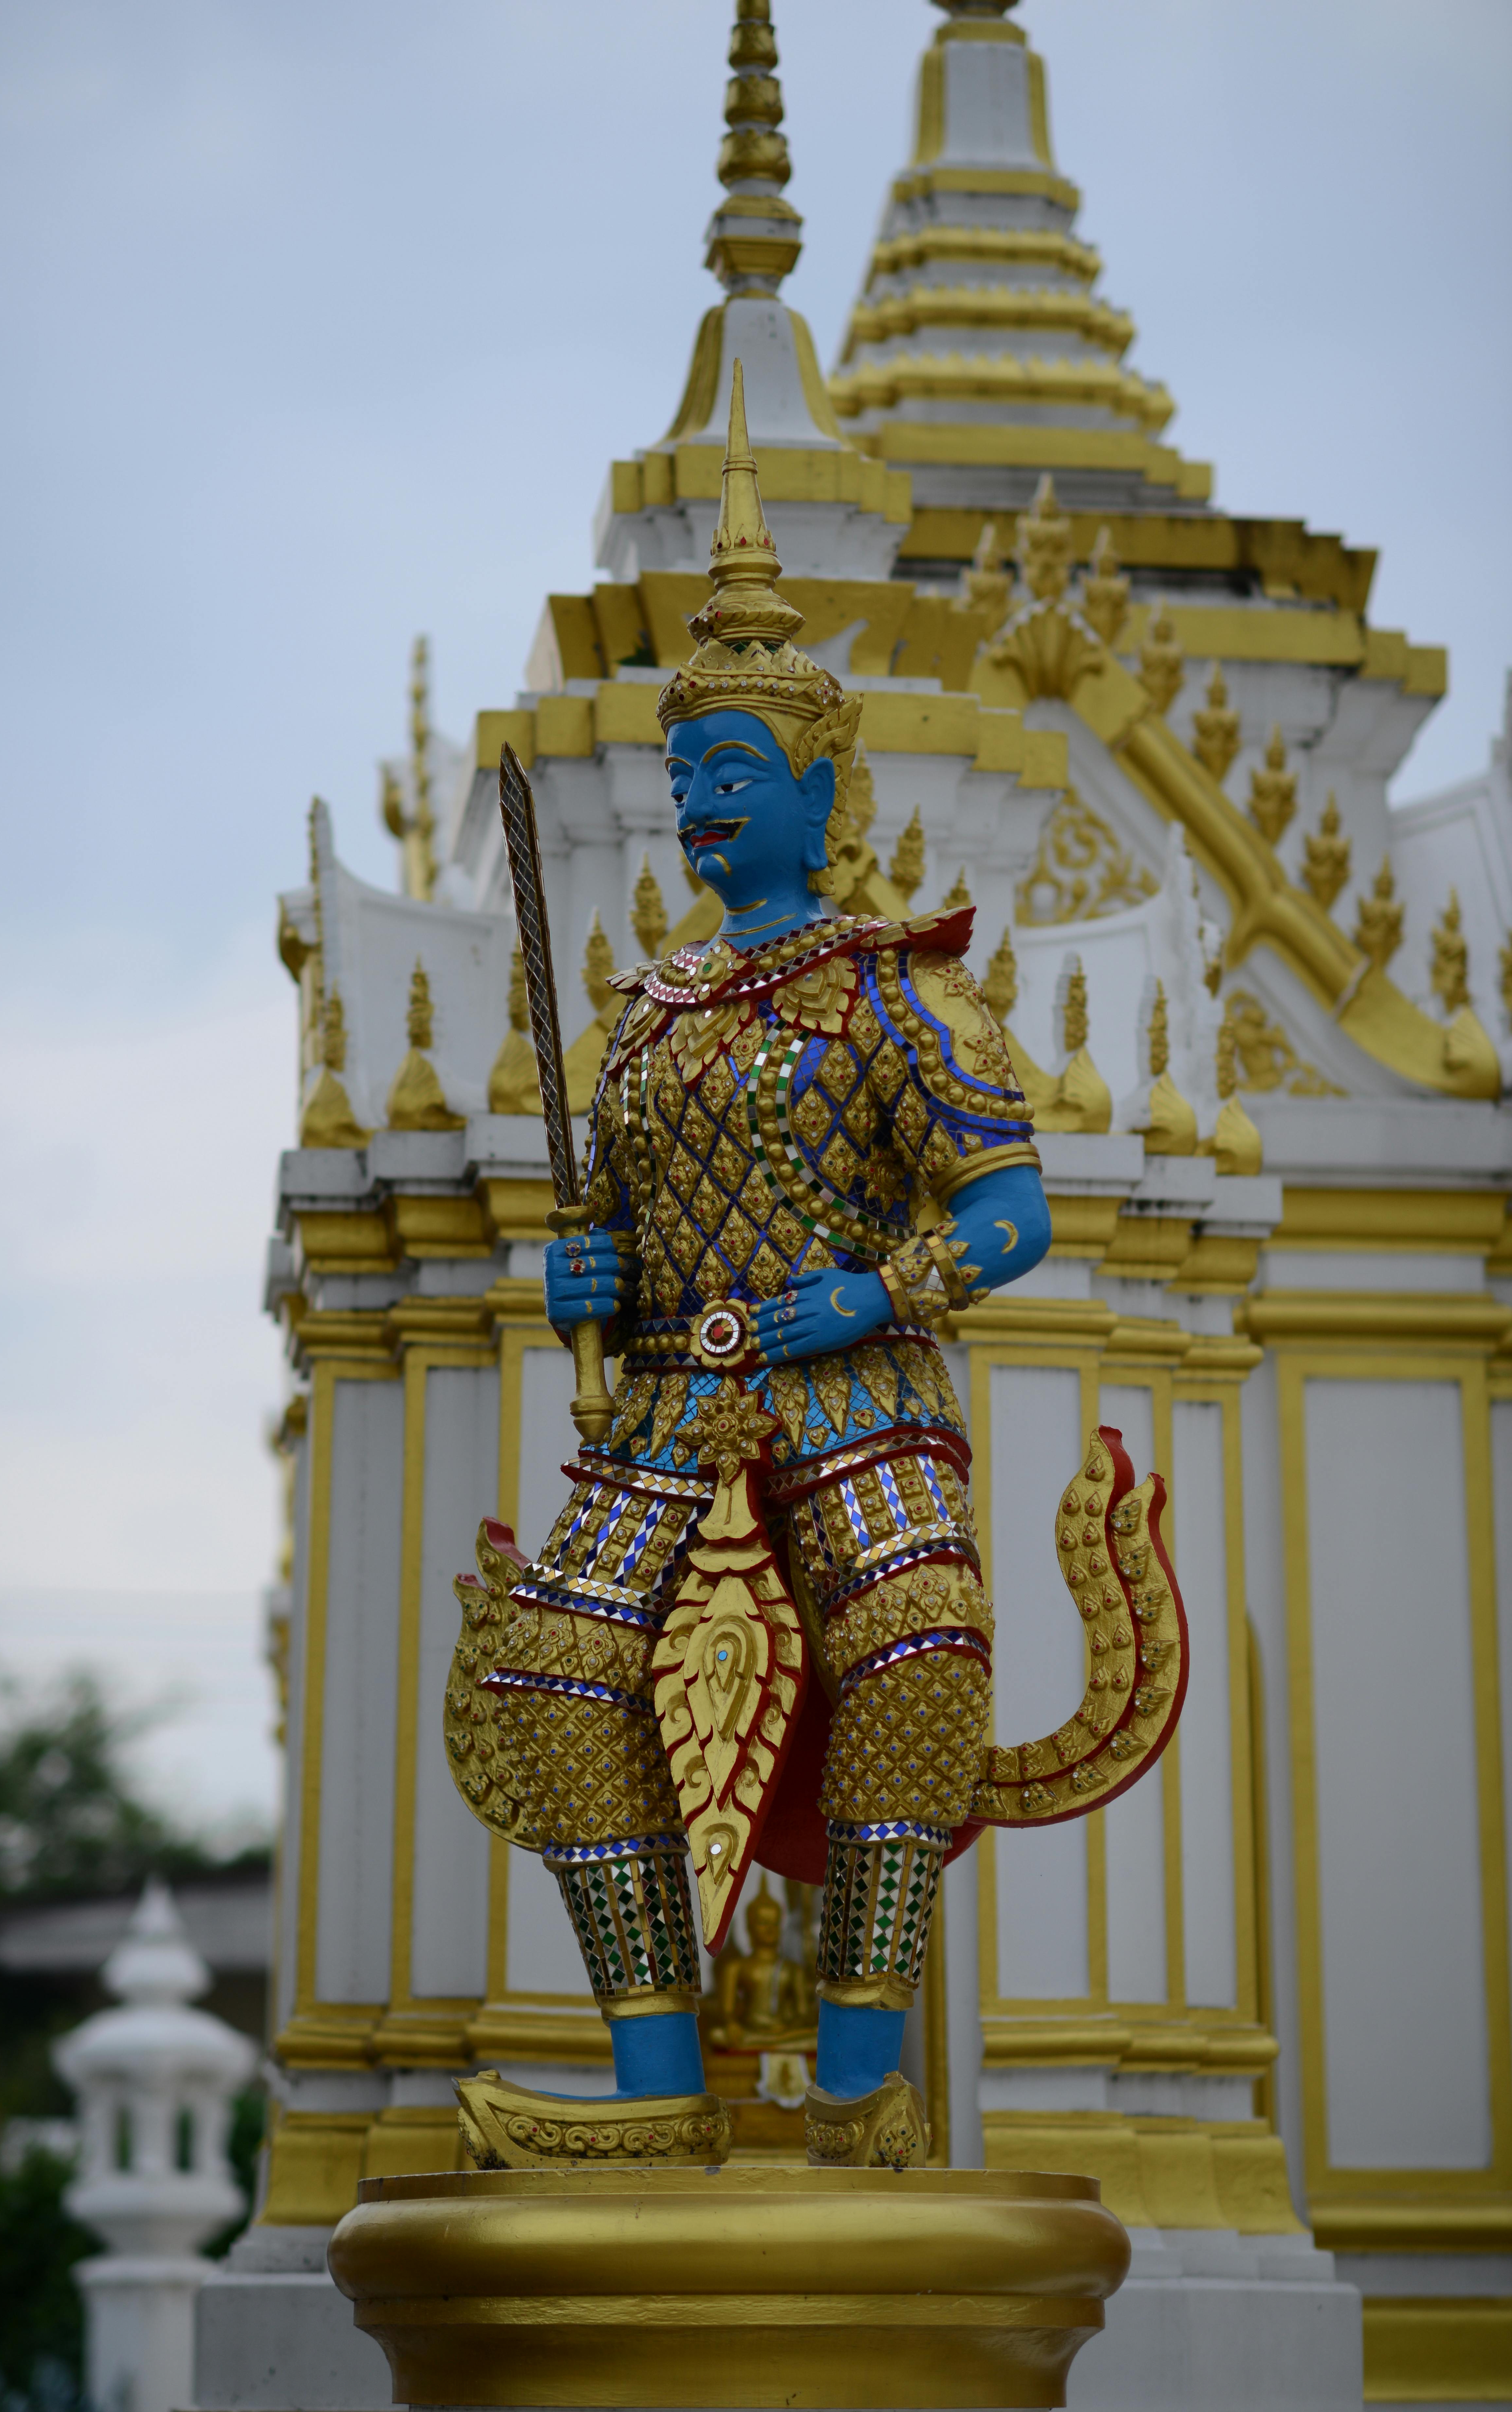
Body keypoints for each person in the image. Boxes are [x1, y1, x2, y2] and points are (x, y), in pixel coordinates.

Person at [450, 364, 1050, 2171]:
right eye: (681, 779)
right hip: (666, 1407)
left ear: (820, 790)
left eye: (731, 776)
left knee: (919, 1647)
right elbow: (629, 1243)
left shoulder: (892, 993)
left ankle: (863, 2073)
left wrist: (885, 1290)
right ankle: (657, 2084)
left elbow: (1008, 1209)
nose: (699, 808)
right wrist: (597, 1288)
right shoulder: (637, 1024)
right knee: (555, 1676)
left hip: (851, 1391)